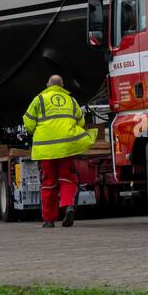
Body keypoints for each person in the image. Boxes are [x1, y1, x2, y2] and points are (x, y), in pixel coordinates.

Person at [21, 75, 96, 228]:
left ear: (47, 84)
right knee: (67, 178)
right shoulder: (71, 100)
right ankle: (68, 206)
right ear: (62, 86)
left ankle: (49, 220)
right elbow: (81, 122)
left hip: (45, 149)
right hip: (66, 148)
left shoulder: (39, 99)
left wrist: (36, 131)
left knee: (48, 183)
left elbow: (28, 122)